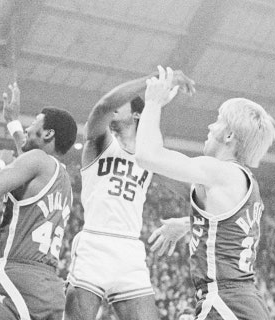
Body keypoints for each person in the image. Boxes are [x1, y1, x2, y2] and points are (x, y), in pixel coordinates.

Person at [137, 66, 275, 319]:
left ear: (230, 135)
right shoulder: (240, 181)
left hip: (226, 300)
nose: (211, 126)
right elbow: (231, 231)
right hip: (243, 301)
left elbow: (147, 156)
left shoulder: (221, 172)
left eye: (218, 121)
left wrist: (153, 103)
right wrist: (189, 223)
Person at [64, 69, 194, 320]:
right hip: (95, 243)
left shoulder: (150, 158)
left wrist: (187, 223)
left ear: (136, 114)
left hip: (130, 250)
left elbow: (197, 196)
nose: (114, 107)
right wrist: (153, 83)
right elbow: (104, 105)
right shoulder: (99, 142)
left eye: (121, 106)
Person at [0, 87, 78, 320]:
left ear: (48, 134)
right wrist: (13, 123)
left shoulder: (37, 161)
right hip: (50, 285)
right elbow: (28, 154)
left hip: (18, 277)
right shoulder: (63, 178)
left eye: (34, 124)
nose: (28, 128)